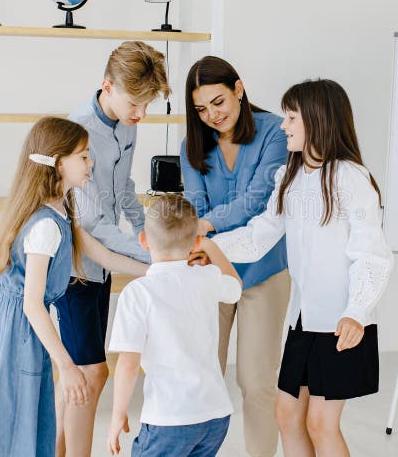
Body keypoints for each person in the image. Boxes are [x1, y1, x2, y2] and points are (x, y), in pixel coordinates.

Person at [210, 79, 394, 457]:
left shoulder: (351, 178)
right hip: (302, 321)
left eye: (291, 116)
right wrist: (210, 247)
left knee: (321, 424)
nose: (283, 125)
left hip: (341, 324)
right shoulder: (289, 177)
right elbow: (261, 234)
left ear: (317, 120)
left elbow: (372, 255)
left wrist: (356, 312)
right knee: (287, 416)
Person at [0, 117, 148, 457]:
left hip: (18, 324)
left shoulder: (62, 208)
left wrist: (155, 271)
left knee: (30, 416)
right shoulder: (45, 227)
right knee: (12, 421)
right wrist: (66, 366)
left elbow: (103, 256)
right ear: (58, 162)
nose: (91, 163)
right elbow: (32, 304)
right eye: (83, 156)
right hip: (16, 328)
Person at [56, 41, 171, 457]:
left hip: (103, 268)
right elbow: (93, 223)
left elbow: (124, 193)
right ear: (107, 85)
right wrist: (157, 256)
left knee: (82, 373)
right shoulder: (77, 131)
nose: (140, 114)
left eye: (146, 105)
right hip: (74, 268)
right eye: (134, 103)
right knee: (91, 372)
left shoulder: (129, 125)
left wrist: (149, 235)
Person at [180, 56, 290, 457]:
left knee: (256, 382)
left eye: (219, 102)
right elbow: (194, 203)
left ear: (239, 89)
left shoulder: (276, 133)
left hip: (264, 271)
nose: (212, 115)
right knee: (203, 374)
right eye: (201, 109)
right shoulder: (192, 145)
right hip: (211, 272)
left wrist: (205, 227)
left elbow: (258, 201)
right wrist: (199, 228)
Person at [106, 195, 242, 457]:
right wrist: (211, 248)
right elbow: (235, 288)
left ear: (143, 240)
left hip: (170, 419)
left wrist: (117, 416)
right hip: (215, 416)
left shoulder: (138, 293)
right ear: (196, 242)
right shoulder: (207, 277)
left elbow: (128, 364)